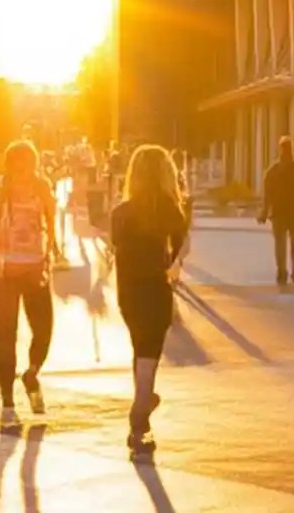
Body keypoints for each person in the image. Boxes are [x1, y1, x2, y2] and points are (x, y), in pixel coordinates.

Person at [110, 145, 188, 456]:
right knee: (149, 352)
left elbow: (117, 245)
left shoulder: (120, 212)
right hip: (156, 288)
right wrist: (175, 264)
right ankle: (139, 416)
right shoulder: (169, 208)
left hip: (127, 291)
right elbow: (181, 246)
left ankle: (143, 403)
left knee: (139, 348)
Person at [0, 140, 60, 423]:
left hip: (35, 268)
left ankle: (31, 374)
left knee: (43, 330)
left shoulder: (42, 187)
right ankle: (6, 399)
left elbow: (51, 221)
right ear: (9, 164)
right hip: (8, 272)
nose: (24, 169)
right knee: (6, 334)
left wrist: (50, 252)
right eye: (19, 163)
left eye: (29, 162)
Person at [258, 135, 294, 284]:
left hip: (279, 212)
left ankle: (282, 272)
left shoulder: (273, 171)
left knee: (280, 245)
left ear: (280, 150)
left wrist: (264, 213)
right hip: (293, 212)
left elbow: (268, 195)